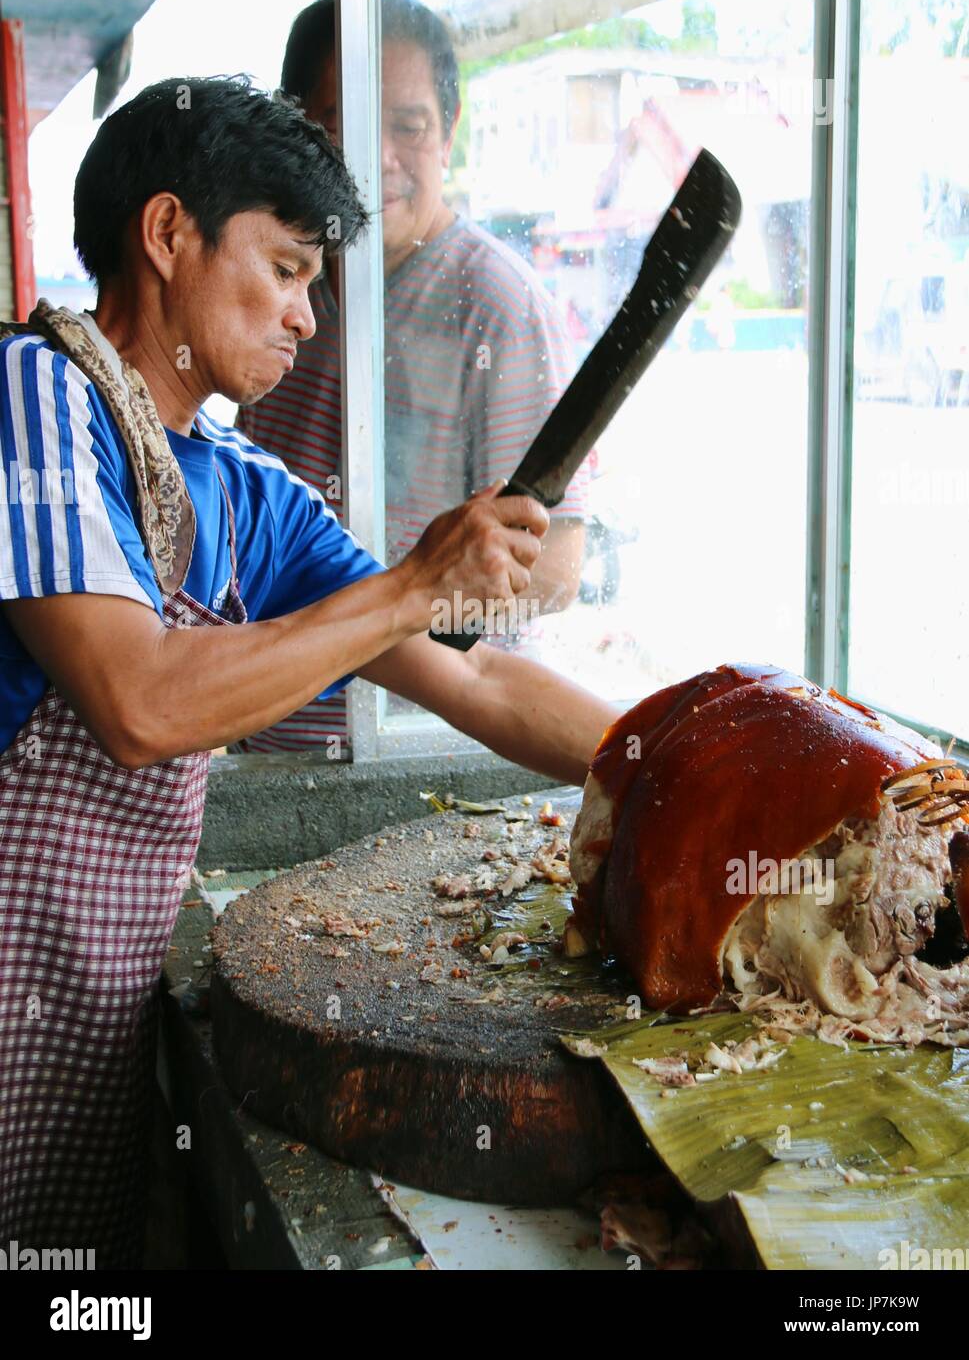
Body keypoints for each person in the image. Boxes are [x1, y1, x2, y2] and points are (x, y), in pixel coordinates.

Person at [0, 76, 618, 1268]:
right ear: (169, 232)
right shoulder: (34, 397)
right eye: (284, 270)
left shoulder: (248, 493)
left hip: (82, 1032)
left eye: (315, 286)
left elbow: (479, 682)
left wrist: (686, 755)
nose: (306, 318)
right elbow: (140, 703)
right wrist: (410, 582)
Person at [235, 0, 588, 753]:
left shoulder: (497, 303)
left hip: (424, 737)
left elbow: (557, 564)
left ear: (449, 134)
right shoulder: (280, 287)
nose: (374, 158)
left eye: (408, 127)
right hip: (268, 736)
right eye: (339, 127)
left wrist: (429, 602)